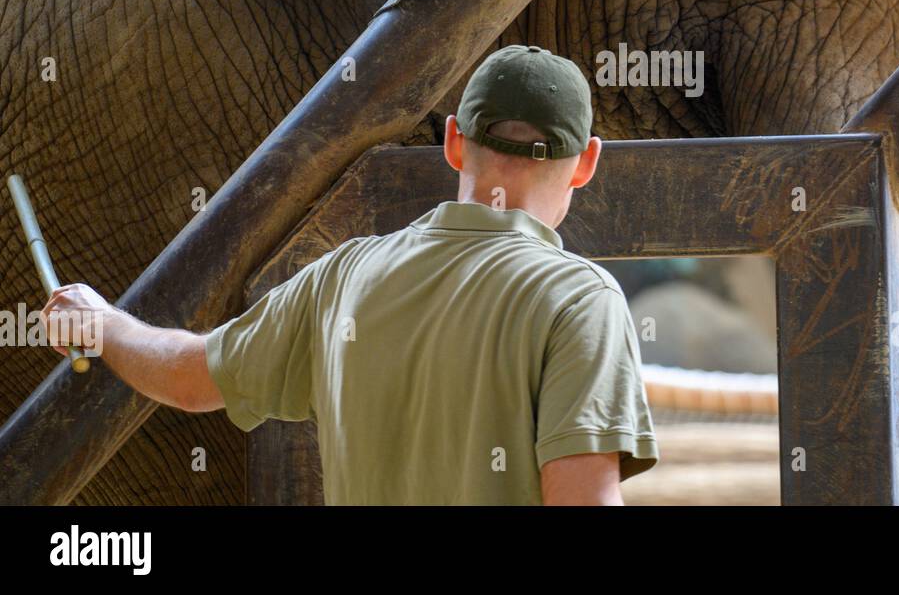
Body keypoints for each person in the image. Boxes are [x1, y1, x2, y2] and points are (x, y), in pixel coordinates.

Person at [43, 45, 658, 505]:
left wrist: (101, 322)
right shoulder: (582, 301)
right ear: (585, 163)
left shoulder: (343, 275)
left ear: (452, 142)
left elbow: (187, 378)